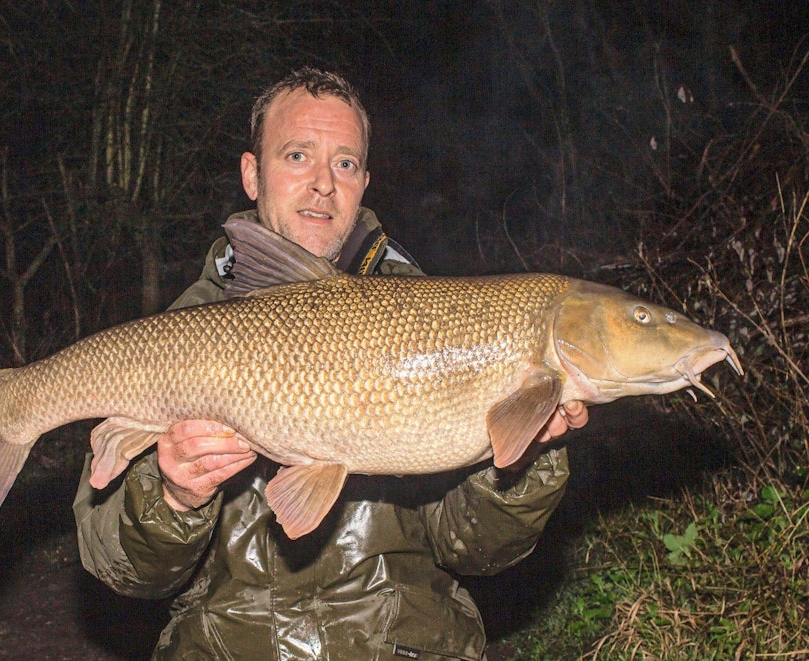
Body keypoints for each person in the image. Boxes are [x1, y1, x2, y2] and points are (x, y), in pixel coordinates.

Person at [73, 66, 588, 660]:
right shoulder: (186, 330)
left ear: (364, 183)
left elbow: (475, 548)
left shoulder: (432, 317)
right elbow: (120, 568)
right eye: (297, 156)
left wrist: (529, 457)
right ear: (252, 174)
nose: (323, 183)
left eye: (344, 163)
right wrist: (173, 498)